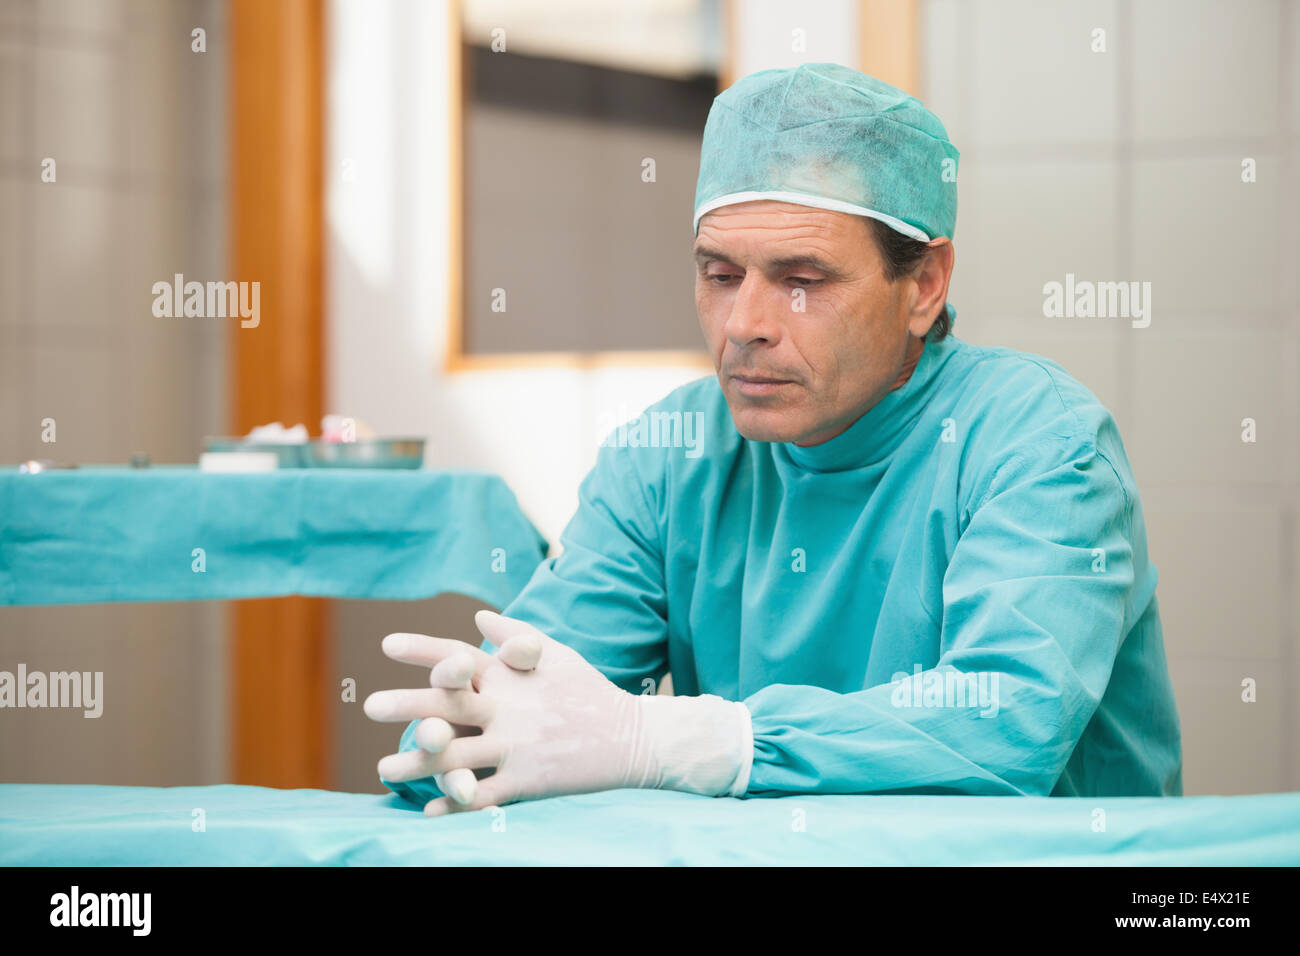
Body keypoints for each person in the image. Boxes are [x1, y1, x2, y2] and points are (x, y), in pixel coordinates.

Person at [364, 63, 1182, 816]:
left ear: (924, 286)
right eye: (720, 276)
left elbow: (1007, 723)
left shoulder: (1037, 443)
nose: (745, 326)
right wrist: (464, 735)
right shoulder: (671, 459)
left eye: (802, 282)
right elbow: (516, 706)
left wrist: (691, 741)